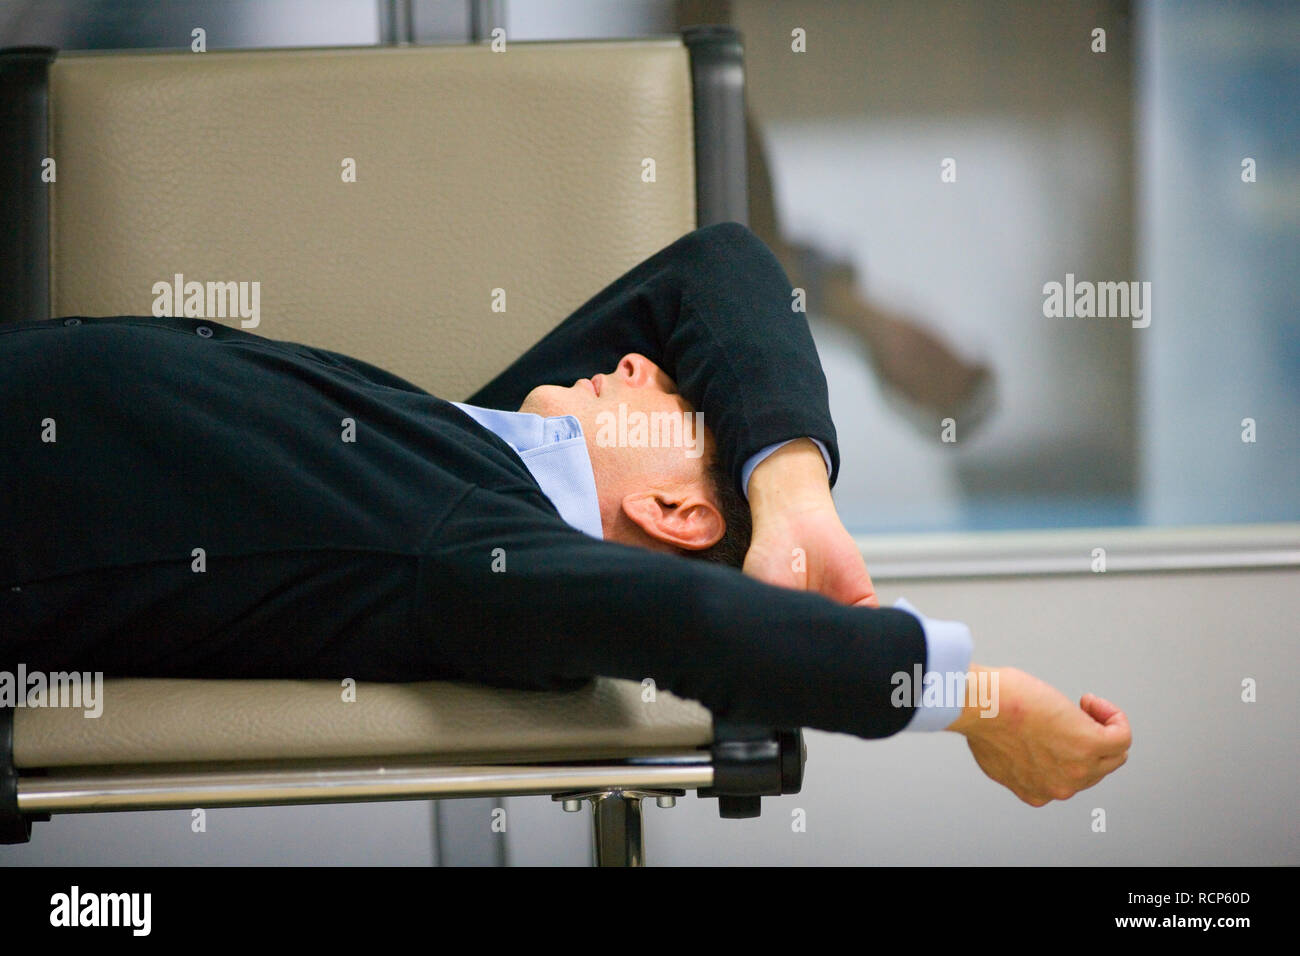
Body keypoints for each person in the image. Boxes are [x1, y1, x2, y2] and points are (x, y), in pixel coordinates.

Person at [0, 221, 1128, 808]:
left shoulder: (476, 543)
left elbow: (696, 625)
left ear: (680, 510)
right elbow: (715, 268)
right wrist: (789, 482)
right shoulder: (482, 440)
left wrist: (975, 699)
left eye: (675, 395)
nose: (637, 353)